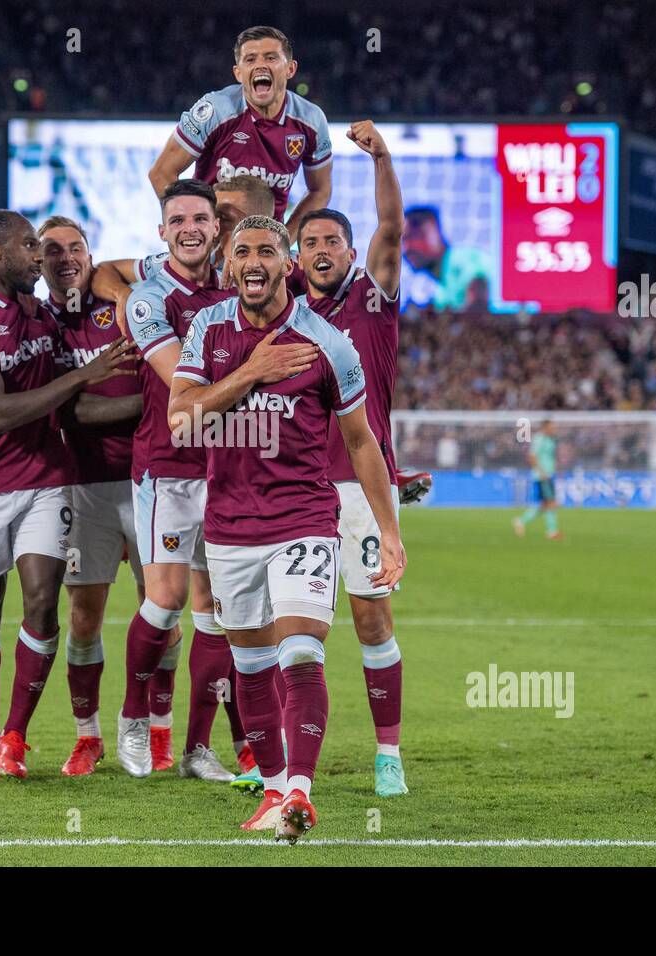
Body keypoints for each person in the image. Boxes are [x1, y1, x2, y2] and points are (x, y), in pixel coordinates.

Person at [169, 215, 405, 841]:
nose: (253, 261)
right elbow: (180, 420)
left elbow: (361, 442)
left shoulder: (330, 343)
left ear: (287, 263)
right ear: (228, 263)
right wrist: (252, 372)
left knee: (301, 652)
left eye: (267, 251)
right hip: (229, 528)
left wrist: (389, 529)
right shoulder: (207, 330)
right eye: (241, 251)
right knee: (248, 666)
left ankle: (299, 789)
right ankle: (274, 793)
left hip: (304, 520)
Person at [0, 209, 137, 781]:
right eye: (29, 246)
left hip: (48, 481)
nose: (39, 258)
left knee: (44, 602)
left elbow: (109, 274)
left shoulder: (42, 315)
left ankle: (15, 738)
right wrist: (81, 375)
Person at [295, 120, 410, 797]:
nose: (321, 249)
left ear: (348, 250)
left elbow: (391, 230)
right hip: (300, 490)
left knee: (370, 616)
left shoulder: (373, 298)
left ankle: (388, 753)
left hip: (364, 488)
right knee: (298, 629)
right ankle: (277, 763)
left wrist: (382, 159)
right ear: (296, 254)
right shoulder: (280, 313)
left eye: (332, 239)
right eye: (309, 240)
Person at [114, 180, 240, 783]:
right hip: (168, 467)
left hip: (229, 465)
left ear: (216, 228)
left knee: (216, 611)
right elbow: (181, 389)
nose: (190, 227)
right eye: (178, 219)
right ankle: (134, 718)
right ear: (162, 232)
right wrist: (255, 370)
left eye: (200, 218)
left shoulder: (237, 287)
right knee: (164, 602)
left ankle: (196, 749)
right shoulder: (148, 298)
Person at [38, 215, 145, 776]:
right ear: (39, 262)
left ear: (91, 255)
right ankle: (88, 735)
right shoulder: (36, 325)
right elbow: (69, 415)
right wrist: (151, 407)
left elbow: (173, 261)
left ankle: (156, 726)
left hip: (151, 482)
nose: (65, 257)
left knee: (163, 610)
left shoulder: (120, 301)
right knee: (84, 616)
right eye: (52, 250)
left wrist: (119, 282)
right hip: (84, 488)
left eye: (76, 247)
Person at [148, 25, 331, 244]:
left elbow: (320, 190)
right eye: (250, 59)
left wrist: (283, 240)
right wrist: (197, 234)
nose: (261, 65)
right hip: (212, 245)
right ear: (238, 72)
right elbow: (161, 173)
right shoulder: (216, 110)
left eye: (271, 58)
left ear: (290, 69)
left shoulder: (311, 120)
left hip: (266, 248)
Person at [514, 420, 563, 540]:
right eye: (552, 427)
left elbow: (549, 457)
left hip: (549, 474)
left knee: (546, 504)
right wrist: (541, 472)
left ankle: (521, 521)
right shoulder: (539, 439)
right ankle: (552, 532)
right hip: (542, 476)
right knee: (551, 503)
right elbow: (532, 456)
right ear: (545, 427)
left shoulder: (550, 440)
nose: (554, 429)